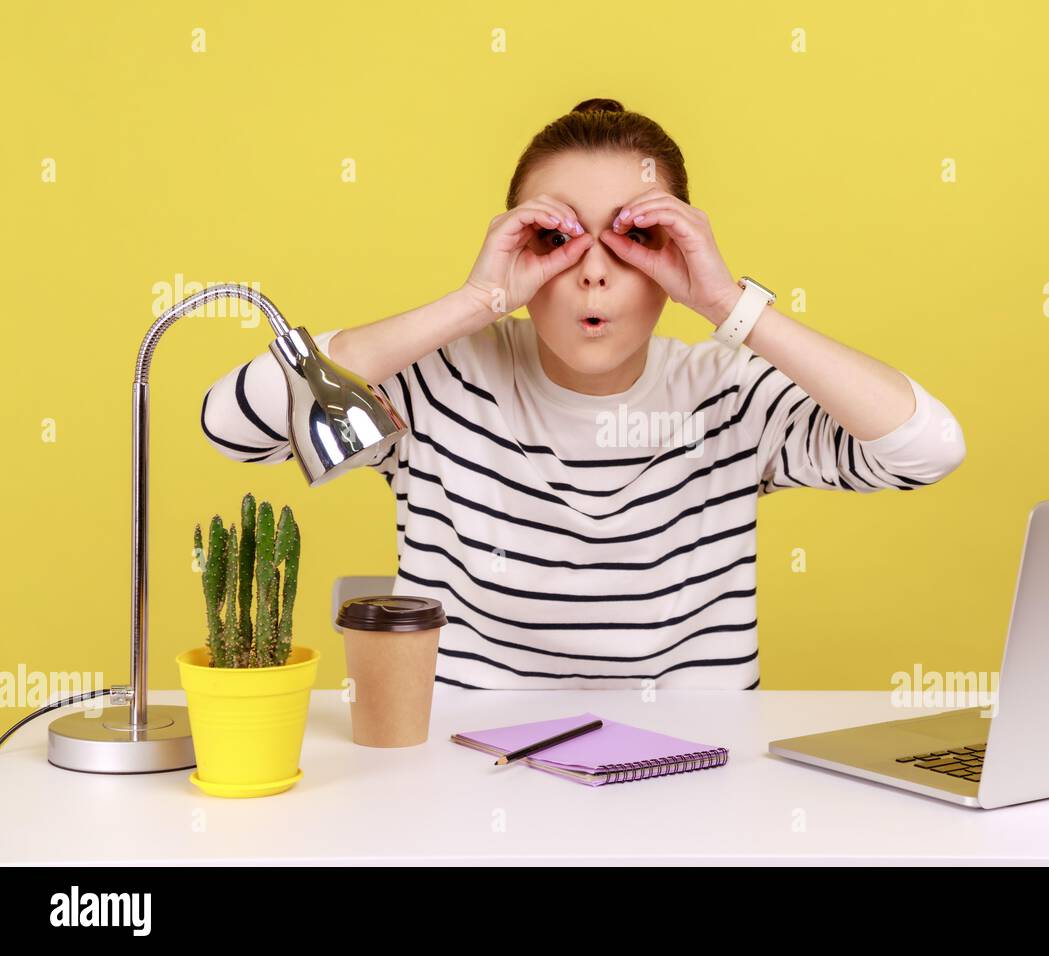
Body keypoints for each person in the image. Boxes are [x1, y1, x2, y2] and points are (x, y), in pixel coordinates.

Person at [200, 97, 967, 690]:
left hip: (691, 785)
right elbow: (234, 425)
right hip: (463, 782)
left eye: (635, 240)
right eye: (556, 240)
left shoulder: (726, 393)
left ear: (677, 256)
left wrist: (727, 305)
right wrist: (474, 302)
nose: (594, 272)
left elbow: (927, 450)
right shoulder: (443, 380)